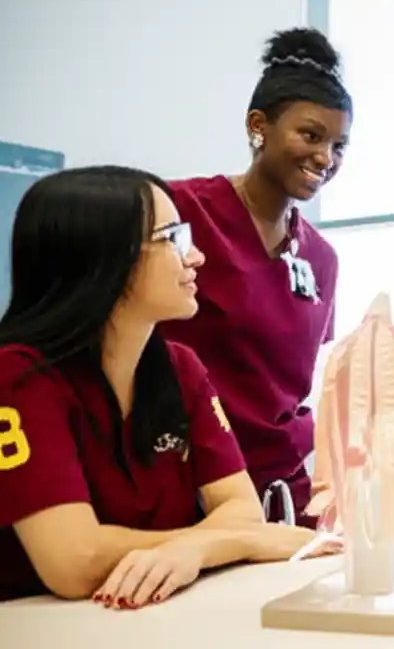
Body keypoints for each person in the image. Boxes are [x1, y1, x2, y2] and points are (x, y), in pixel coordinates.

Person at [0, 167, 337, 606]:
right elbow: (73, 561)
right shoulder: (17, 377)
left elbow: (243, 511)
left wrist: (195, 548)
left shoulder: (180, 368)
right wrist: (239, 541)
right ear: (106, 258)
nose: (196, 256)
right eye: (174, 238)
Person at [161, 28, 349, 526]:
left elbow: (292, 387)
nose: (325, 159)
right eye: (311, 136)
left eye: (338, 146)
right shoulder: (182, 211)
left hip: (285, 487)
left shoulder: (322, 258)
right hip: (187, 477)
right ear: (258, 126)